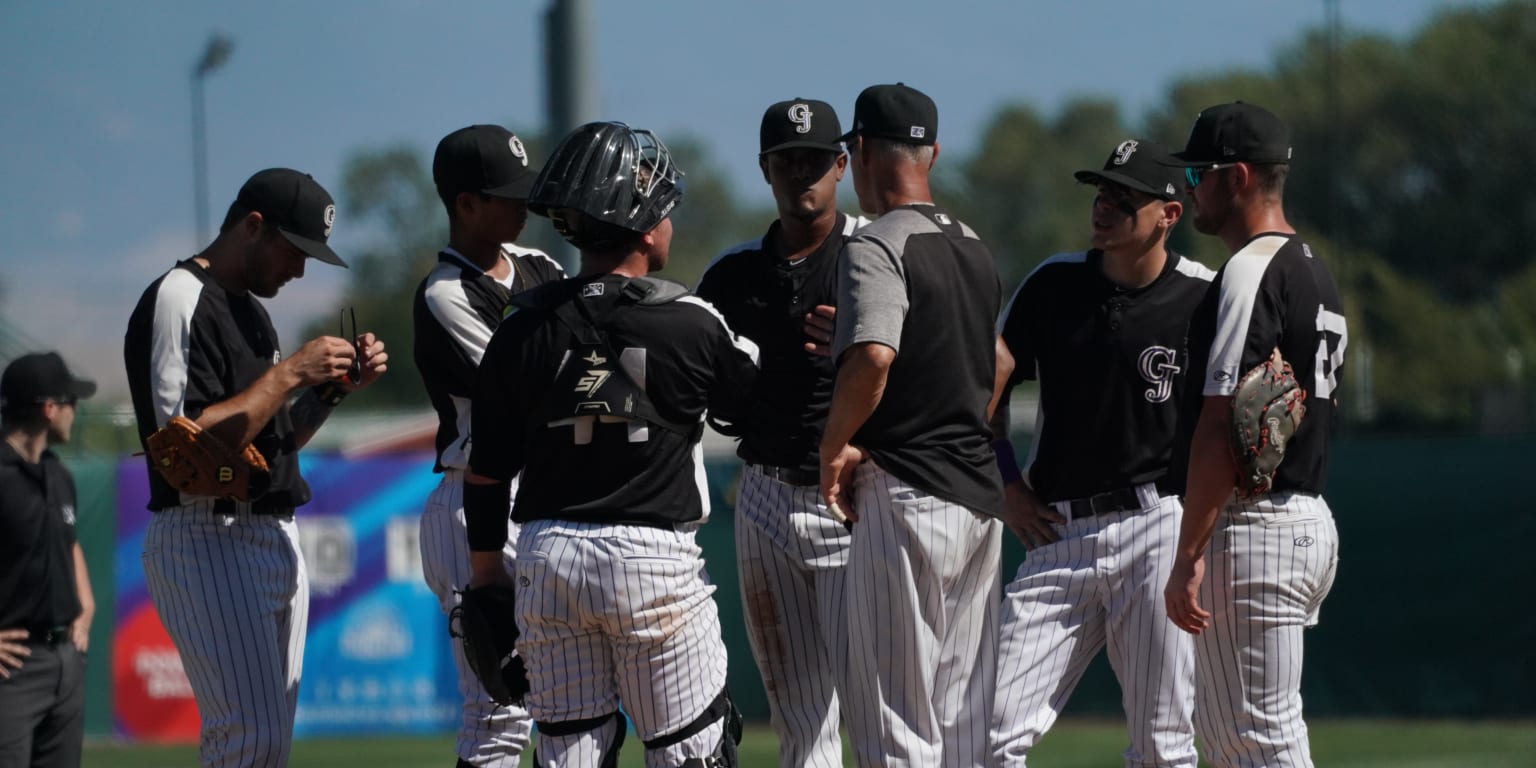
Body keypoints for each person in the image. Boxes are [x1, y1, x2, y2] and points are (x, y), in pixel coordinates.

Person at [463, 121, 760, 768]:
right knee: (693, 754)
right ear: (649, 228)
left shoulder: (521, 325)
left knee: (569, 753)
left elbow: (485, 472)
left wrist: (487, 578)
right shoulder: (690, 320)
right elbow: (753, 410)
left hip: (548, 555)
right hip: (650, 558)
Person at [124, 168, 389, 768]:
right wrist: (293, 371)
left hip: (269, 529)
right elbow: (182, 449)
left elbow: (275, 441)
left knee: (263, 746)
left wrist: (332, 390)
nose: (300, 270)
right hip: (208, 532)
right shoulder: (180, 296)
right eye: (294, 251)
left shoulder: (252, 312)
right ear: (253, 226)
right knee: (250, 738)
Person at [988, 139, 1212, 767]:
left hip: (1157, 524)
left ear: (1169, 214)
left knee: (1163, 746)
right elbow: (989, 387)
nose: (1105, 205)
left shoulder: (1204, 297)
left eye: (1125, 197)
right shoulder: (1054, 283)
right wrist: (1007, 484)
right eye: (1101, 190)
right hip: (1057, 532)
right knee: (984, 732)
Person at [819, 83, 1008, 768]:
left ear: (861, 149)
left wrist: (834, 447)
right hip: (977, 503)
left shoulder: (876, 242)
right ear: (933, 151)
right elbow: (1000, 360)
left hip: (907, 497)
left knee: (894, 726)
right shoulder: (974, 245)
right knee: (959, 728)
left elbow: (872, 356)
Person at [1160, 102, 1346, 768]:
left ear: (1235, 177)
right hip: (1303, 519)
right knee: (1246, 737)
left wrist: (1188, 552)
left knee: (1254, 741)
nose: (1188, 190)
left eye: (1196, 176)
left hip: (1257, 525)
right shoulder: (1312, 268)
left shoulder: (1250, 269)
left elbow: (1219, 423)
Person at [694, 98, 867, 768]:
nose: (804, 173)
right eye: (788, 159)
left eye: (816, 160)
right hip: (764, 491)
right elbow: (697, 380)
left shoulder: (873, 255)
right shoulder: (733, 274)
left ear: (842, 166)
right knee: (798, 714)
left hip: (858, 493)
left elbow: (927, 372)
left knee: (878, 701)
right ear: (765, 167)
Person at [414, 124, 565, 768]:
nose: (521, 207)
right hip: (474, 501)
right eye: (505, 195)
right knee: (498, 714)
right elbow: (527, 389)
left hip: (538, 495)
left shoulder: (542, 266)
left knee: (564, 700)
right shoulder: (445, 294)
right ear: (465, 203)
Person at [0, 352, 96, 768]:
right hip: (12, 672)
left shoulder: (58, 475)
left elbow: (68, 541)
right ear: (49, 408)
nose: (76, 411)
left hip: (64, 663)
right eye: (71, 402)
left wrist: (86, 602)